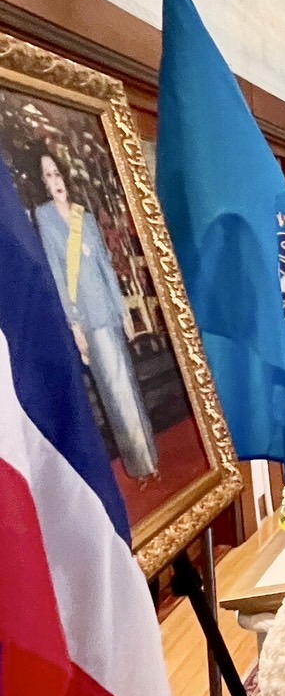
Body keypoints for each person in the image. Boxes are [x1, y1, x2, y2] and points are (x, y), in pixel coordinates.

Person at [34, 151, 160, 480]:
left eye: (57, 173)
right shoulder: (44, 217)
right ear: (43, 184)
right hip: (86, 318)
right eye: (48, 175)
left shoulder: (84, 217)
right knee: (114, 394)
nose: (55, 180)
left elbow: (105, 266)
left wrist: (124, 313)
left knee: (130, 387)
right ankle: (139, 466)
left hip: (107, 309)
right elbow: (58, 274)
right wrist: (73, 325)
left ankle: (151, 459)